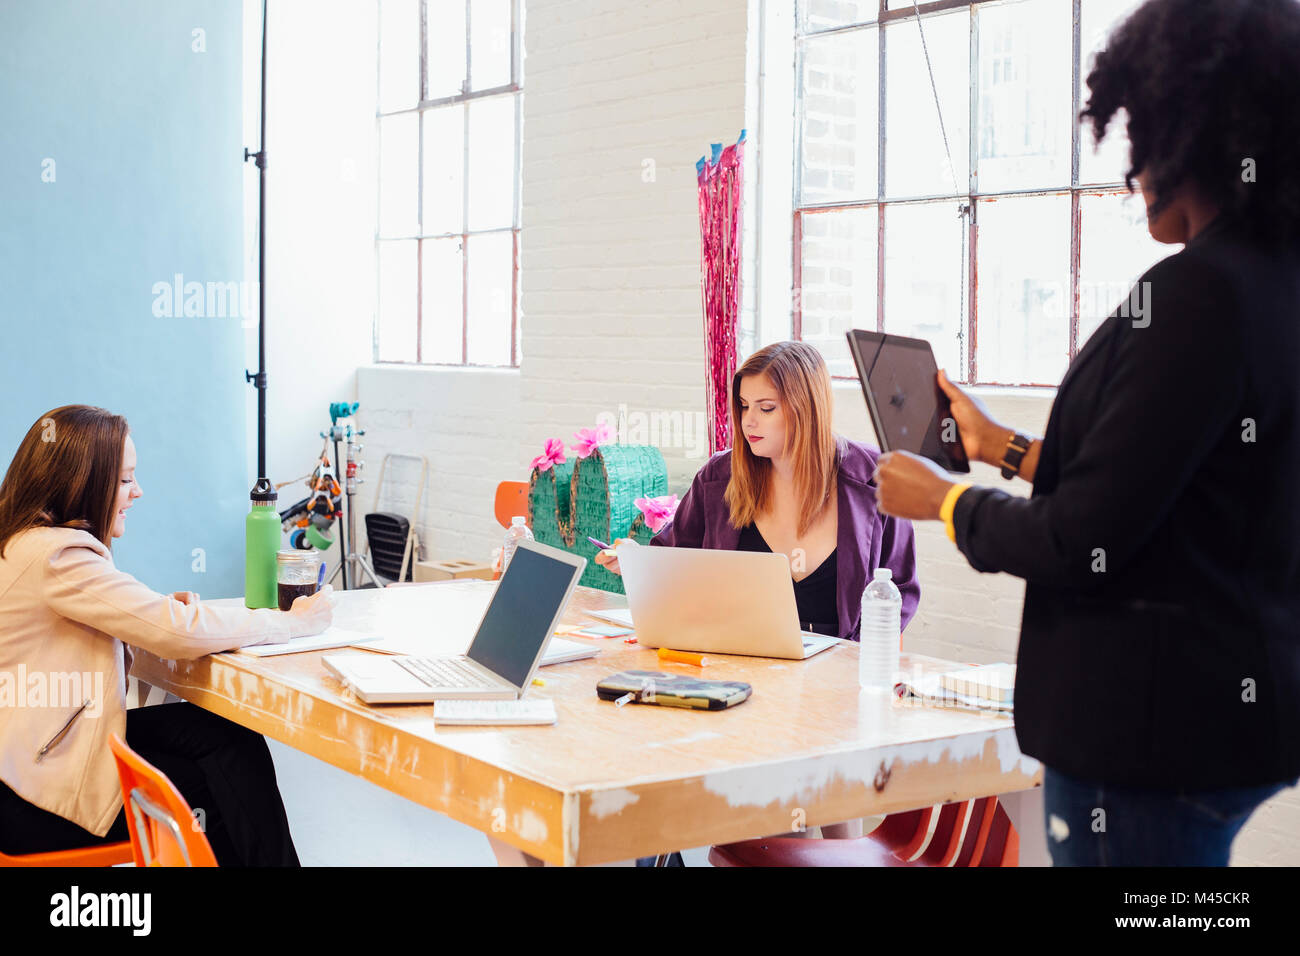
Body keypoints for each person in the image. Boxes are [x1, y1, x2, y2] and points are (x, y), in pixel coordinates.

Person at [873, 0, 1300, 866]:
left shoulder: (1199, 297)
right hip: (1233, 712)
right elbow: (1165, 490)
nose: (1134, 171)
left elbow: (1082, 538)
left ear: (1190, 134)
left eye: (1143, 135)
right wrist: (1001, 448)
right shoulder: (1275, 287)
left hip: (1146, 734)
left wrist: (946, 497)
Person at [598, 342, 921, 858]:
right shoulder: (721, 477)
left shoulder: (871, 480)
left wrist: (877, 682)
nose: (750, 421)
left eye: (767, 408)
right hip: (738, 685)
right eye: (744, 407)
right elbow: (668, 559)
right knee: (769, 829)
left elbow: (900, 587)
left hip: (834, 693)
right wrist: (634, 558)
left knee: (833, 815)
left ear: (807, 407)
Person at [0, 405, 334, 865]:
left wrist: (157, 615)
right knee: (220, 789)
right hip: (29, 801)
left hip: (26, 764)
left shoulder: (27, 542)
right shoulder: (56, 555)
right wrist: (294, 623)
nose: (137, 492)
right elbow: (174, 632)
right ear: (80, 483)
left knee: (225, 737)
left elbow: (143, 618)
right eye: (123, 480)